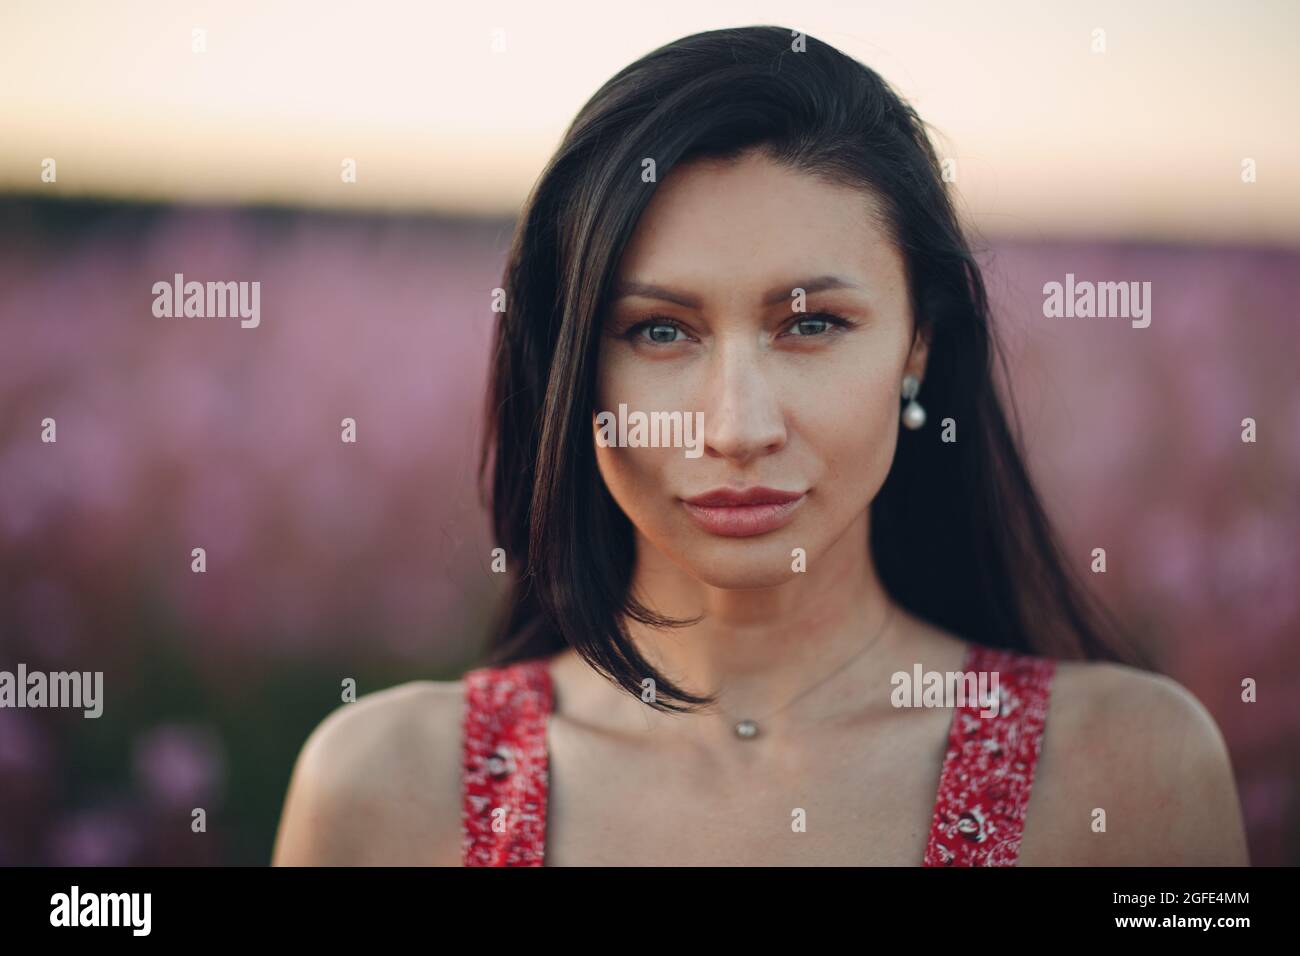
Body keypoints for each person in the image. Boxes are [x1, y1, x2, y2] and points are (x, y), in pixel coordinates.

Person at [272, 25, 1249, 866]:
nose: (736, 426)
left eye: (812, 323)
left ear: (918, 343)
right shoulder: (385, 787)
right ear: (568, 365)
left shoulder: (1129, 771)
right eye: (658, 330)